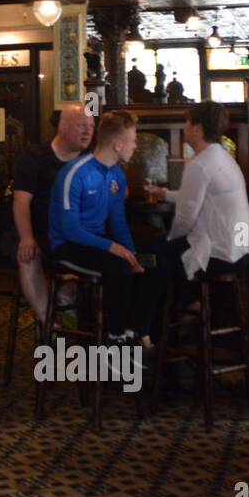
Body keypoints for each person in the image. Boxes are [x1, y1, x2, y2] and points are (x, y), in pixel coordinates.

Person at [48, 110, 148, 345]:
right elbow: (70, 230)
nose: (135, 146)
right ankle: (115, 337)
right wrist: (114, 247)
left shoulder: (117, 175)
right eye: (133, 141)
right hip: (67, 246)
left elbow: (118, 221)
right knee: (120, 268)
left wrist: (131, 252)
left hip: (97, 241)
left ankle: (135, 329)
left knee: (148, 262)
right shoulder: (75, 173)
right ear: (117, 145)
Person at [149, 101, 249, 312]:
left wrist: (171, 238)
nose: (185, 127)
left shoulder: (199, 164)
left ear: (197, 129)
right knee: (168, 250)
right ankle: (189, 304)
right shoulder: (222, 157)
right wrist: (166, 194)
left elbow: (184, 220)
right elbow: (198, 196)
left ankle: (180, 311)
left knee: (157, 253)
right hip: (243, 247)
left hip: (223, 254)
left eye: (187, 122)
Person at [12, 102, 94, 327]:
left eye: (91, 126)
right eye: (81, 125)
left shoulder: (89, 160)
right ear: (63, 127)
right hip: (38, 231)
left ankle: (77, 312)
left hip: (75, 234)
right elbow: (21, 201)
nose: (88, 131)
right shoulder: (35, 157)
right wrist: (27, 237)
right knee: (28, 255)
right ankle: (52, 326)